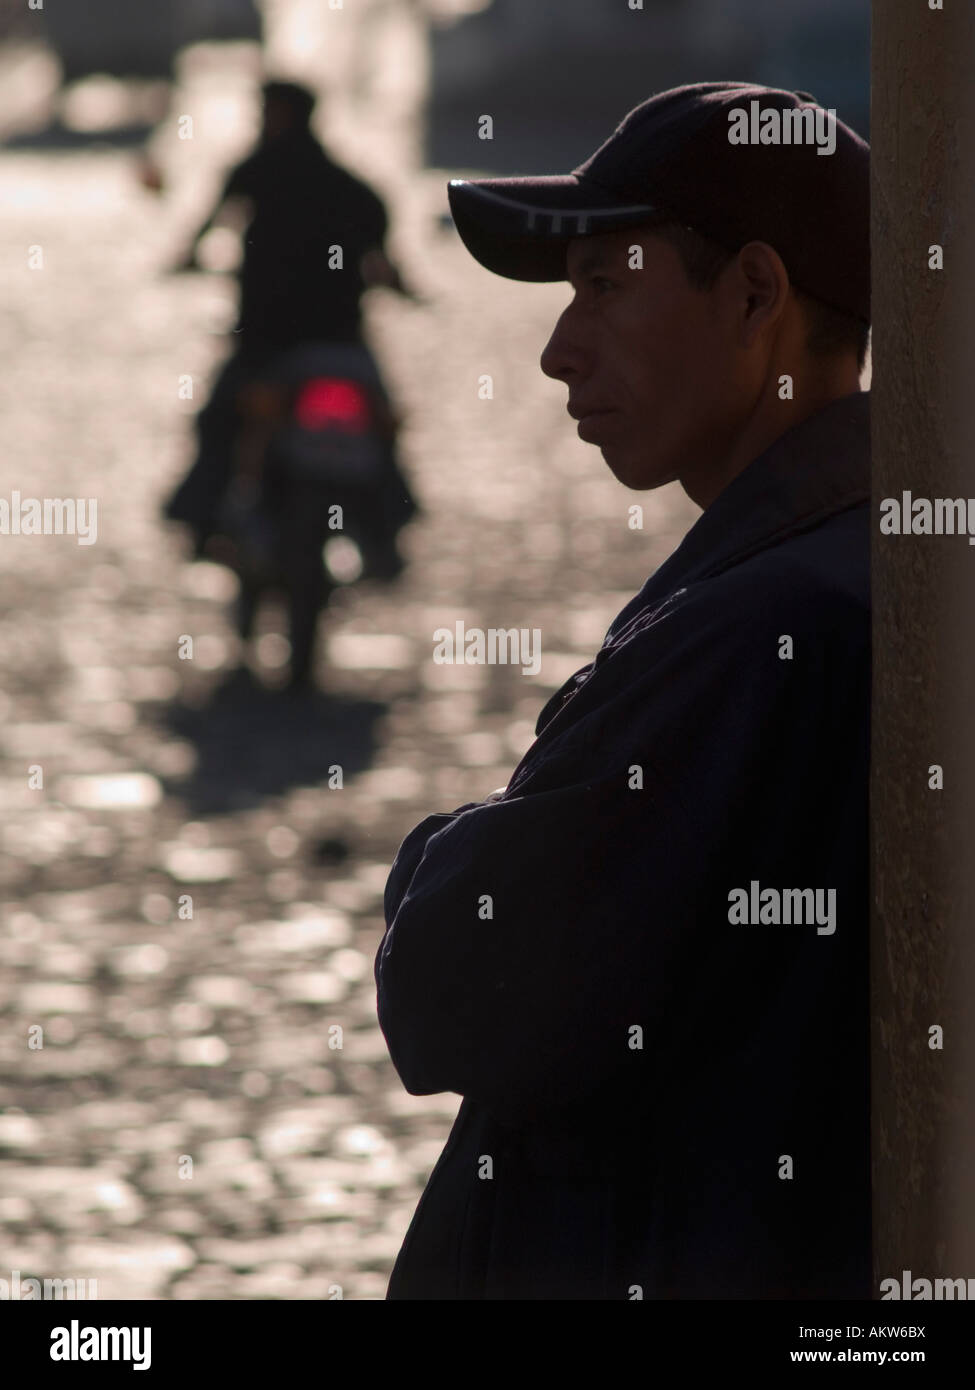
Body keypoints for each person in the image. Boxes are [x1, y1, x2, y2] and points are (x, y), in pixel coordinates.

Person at [375, 82, 872, 1299]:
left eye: (604, 284)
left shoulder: (762, 626)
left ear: (755, 294)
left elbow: (455, 990)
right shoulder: (855, 566)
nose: (557, 350)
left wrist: (441, 853)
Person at [162, 79, 417, 569]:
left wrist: (188, 259)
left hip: (264, 342)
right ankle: (385, 536)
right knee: (383, 429)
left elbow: (206, 229)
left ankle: (200, 522)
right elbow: (386, 259)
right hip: (339, 338)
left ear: (276, 115)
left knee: (218, 424)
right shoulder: (352, 186)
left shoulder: (253, 171)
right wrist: (403, 286)